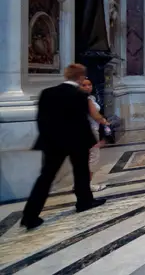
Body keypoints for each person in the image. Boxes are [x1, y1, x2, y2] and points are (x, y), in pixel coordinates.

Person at [21, 64, 106, 230]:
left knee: (45, 177)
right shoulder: (80, 95)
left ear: (66, 75)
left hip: (52, 142)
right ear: (81, 77)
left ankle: (29, 215)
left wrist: (46, 139)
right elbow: (82, 122)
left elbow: (41, 120)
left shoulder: (47, 93)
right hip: (76, 141)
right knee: (80, 171)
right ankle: (84, 202)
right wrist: (94, 140)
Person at [80, 78, 110, 192]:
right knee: (93, 158)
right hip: (91, 130)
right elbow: (95, 115)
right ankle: (87, 185)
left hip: (91, 129)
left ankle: (80, 183)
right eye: (84, 85)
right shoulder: (85, 99)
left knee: (86, 158)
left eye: (89, 84)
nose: (88, 87)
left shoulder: (90, 98)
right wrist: (106, 123)